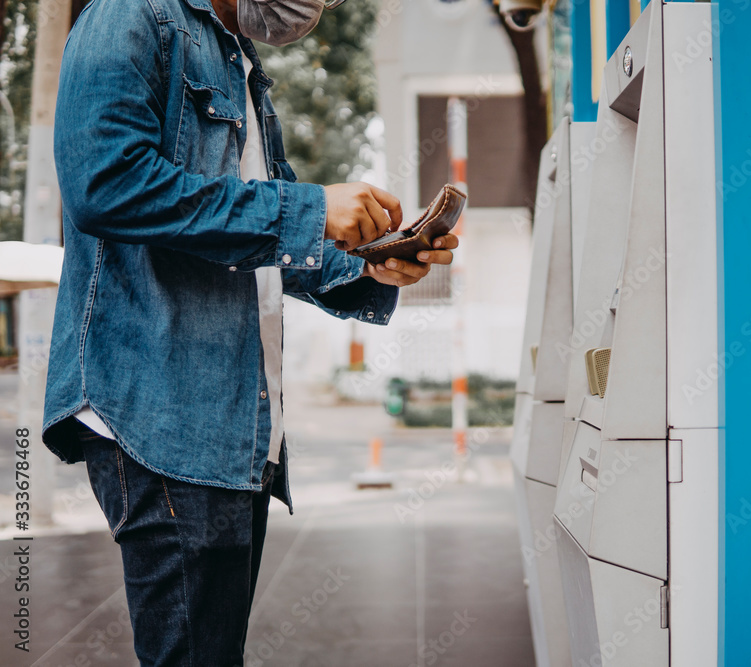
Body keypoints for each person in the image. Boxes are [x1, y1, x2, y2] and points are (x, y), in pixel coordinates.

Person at [41, 0, 457, 664]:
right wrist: (310, 206)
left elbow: (257, 238)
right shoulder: (133, 13)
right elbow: (104, 182)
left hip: (232, 425)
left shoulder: (234, 57)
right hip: (160, 410)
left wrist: (374, 267)